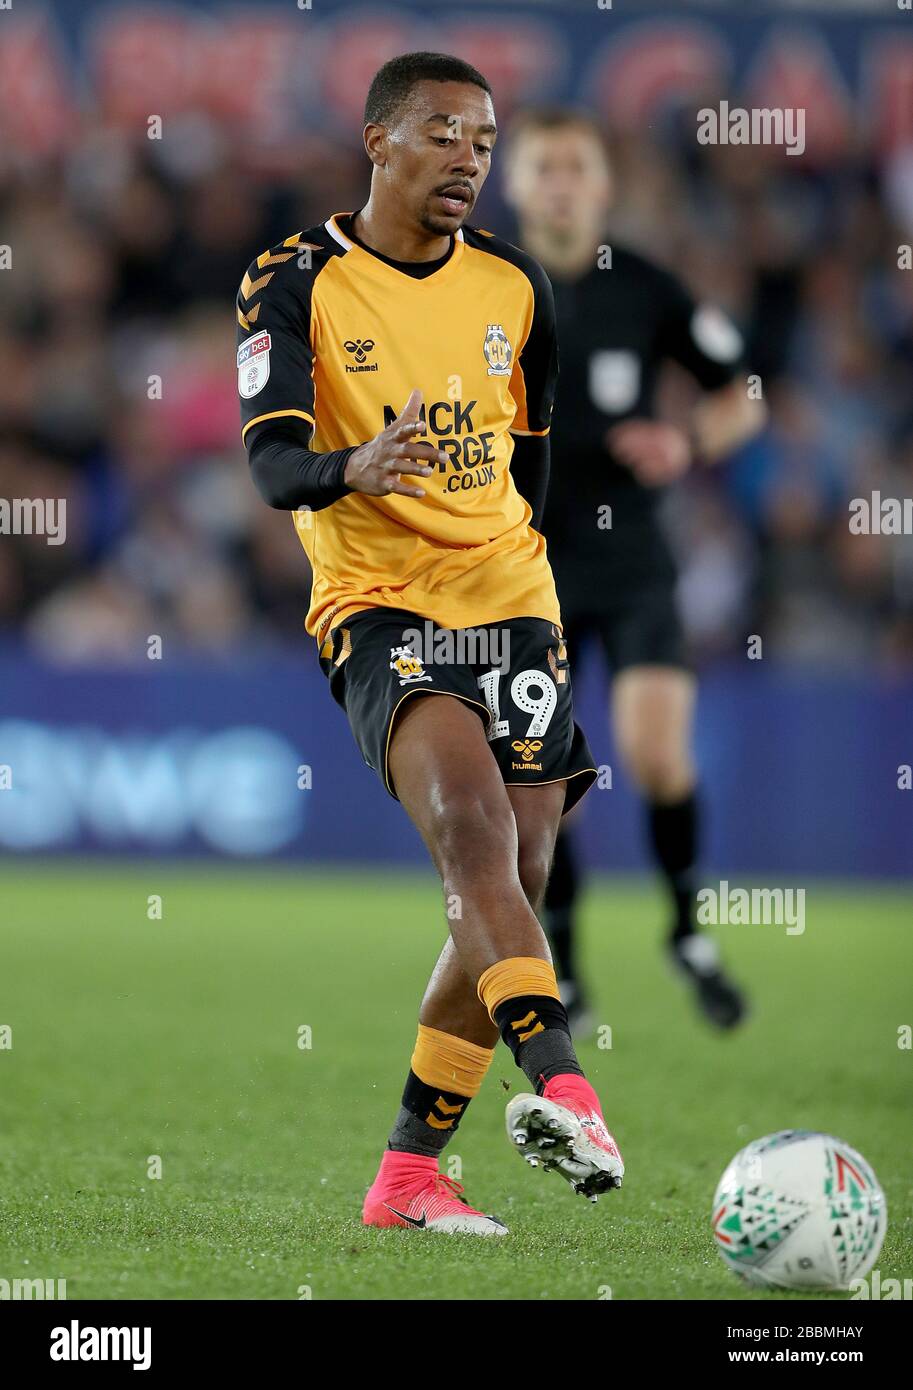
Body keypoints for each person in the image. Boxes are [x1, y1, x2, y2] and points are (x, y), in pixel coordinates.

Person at [237, 55, 623, 1236]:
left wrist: (522, 571)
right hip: (377, 599)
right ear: (377, 140)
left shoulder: (513, 283)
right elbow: (269, 465)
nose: (468, 157)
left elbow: (535, 450)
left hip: (510, 595)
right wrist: (352, 467)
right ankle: (568, 1088)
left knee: (519, 875)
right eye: (443, 133)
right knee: (472, 828)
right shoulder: (296, 278)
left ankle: (408, 1173)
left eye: (484, 141)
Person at [504, 108, 766, 1032]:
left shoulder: (645, 286)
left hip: (632, 561)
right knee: (548, 785)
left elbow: (746, 393)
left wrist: (686, 437)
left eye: (577, 166)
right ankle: (566, 966)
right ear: (516, 183)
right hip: (524, 569)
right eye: (544, 168)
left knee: (656, 759)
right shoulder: (482, 286)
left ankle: (687, 930)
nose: (561, 183)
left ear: (604, 186)